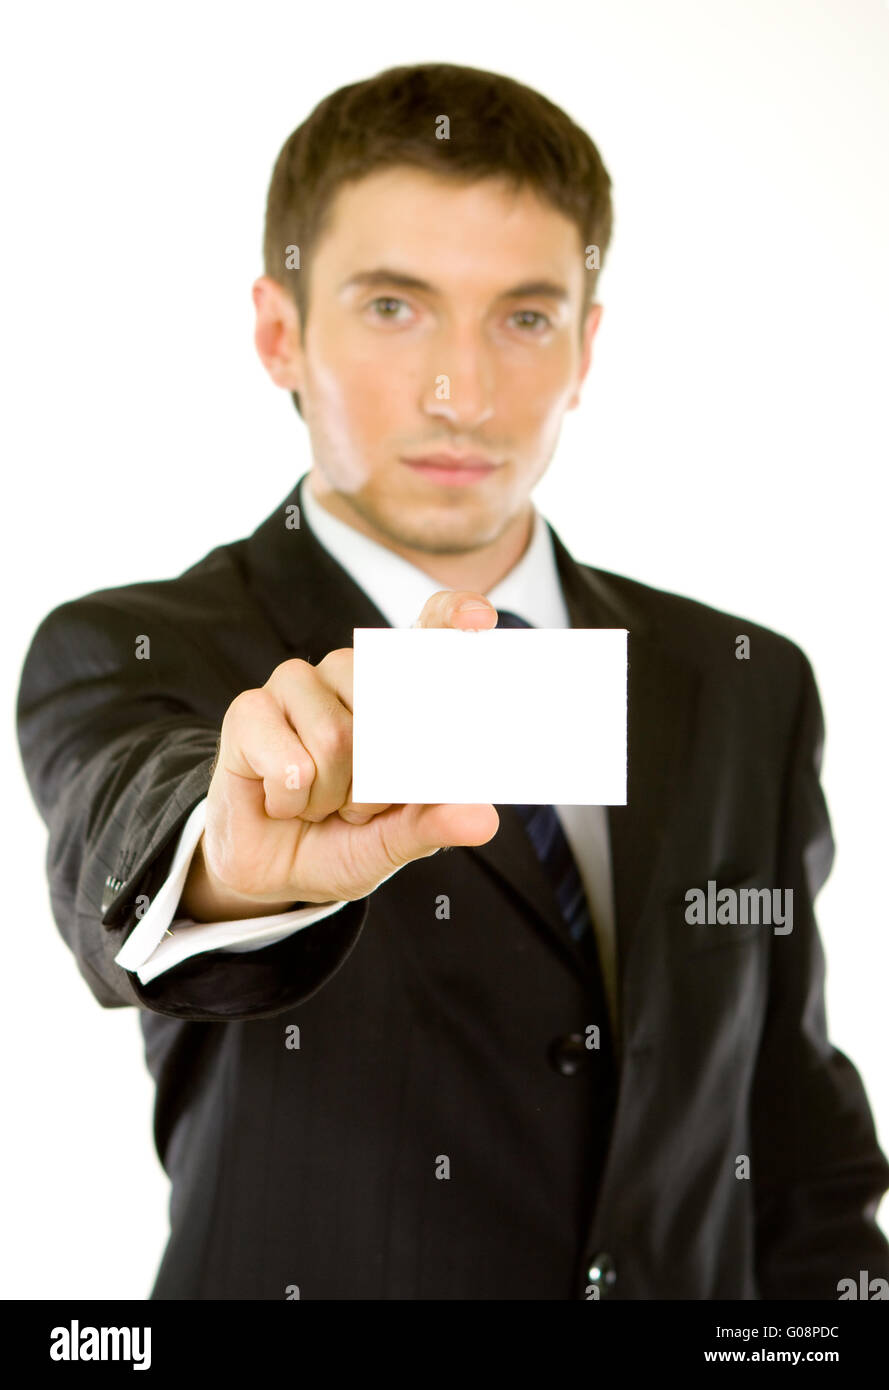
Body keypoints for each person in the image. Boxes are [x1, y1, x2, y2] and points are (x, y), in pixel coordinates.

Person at [16, 62, 889, 1301]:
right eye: (393, 307)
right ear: (280, 333)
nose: (462, 393)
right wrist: (221, 849)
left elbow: (794, 1132)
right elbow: (128, 824)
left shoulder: (742, 682)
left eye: (524, 316)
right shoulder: (135, 645)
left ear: (586, 346)